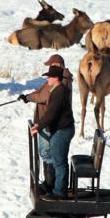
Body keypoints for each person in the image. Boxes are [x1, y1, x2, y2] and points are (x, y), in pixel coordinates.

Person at [19, 54, 73, 194]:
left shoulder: (61, 85)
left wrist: (39, 125)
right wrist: (27, 97)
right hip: (52, 124)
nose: (48, 72)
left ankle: (54, 187)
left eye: (51, 66)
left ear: (58, 67)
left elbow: (46, 101)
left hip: (57, 126)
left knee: (55, 158)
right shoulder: (56, 84)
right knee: (50, 154)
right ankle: (51, 185)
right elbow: (41, 91)